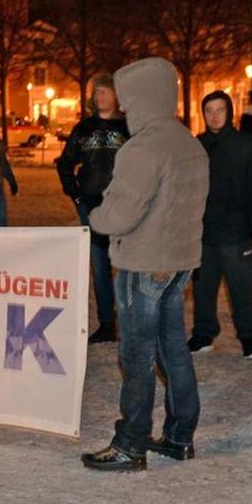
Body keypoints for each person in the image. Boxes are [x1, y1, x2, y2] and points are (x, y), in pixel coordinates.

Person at [81, 58, 209, 473]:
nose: (123, 108)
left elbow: (120, 214)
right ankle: (179, 435)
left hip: (143, 264)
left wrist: (96, 218)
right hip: (179, 263)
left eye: (127, 100)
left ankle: (131, 443)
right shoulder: (188, 142)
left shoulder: (143, 147)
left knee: (136, 355)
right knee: (173, 349)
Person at [188, 89, 252, 359]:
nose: (214, 116)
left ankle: (248, 338)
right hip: (204, 233)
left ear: (229, 112)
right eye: (209, 111)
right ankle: (203, 334)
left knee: (242, 289)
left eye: (220, 110)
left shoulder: (247, 145)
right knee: (203, 288)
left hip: (236, 232)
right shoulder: (196, 145)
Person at [56, 74, 131, 344]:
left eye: (106, 92)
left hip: (123, 205)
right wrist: (75, 195)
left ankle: (131, 319)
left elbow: (143, 164)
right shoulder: (84, 128)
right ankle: (107, 323)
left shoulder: (128, 127)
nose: (101, 97)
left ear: (116, 95)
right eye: (97, 92)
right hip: (91, 205)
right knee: (99, 267)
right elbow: (65, 163)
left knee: (127, 264)